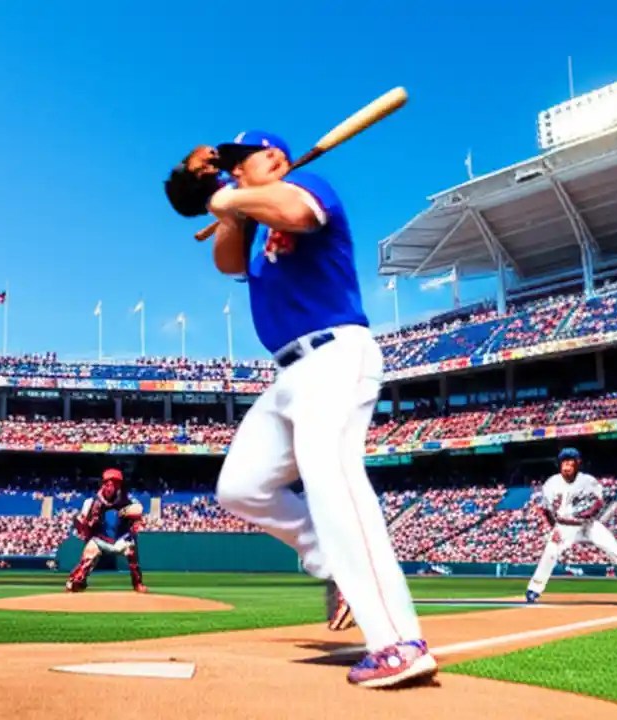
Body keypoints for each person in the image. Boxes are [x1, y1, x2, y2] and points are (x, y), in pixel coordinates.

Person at [205, 131, 435, 689]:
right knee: (240, 487)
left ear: (276, 158)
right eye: (229, 166)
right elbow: (224, 262)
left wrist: (230, 200)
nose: (234, 172)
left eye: (244, 161)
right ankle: (330, 560)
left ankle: (399, 641)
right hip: (286, 373)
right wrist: (234, 211)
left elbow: (296, 213)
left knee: (333, 478)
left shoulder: (306, 185)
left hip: (335, 354)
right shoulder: (254, 222)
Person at [526, 448, 617, 606]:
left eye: (570, 461)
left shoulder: (588, 481)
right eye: (563, 462)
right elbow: (545, 510)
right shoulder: (551, 483)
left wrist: (587, 514)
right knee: (550, 553)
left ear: (577, 463)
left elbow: (598, 503)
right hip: (565, 527)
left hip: (590, 525)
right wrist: (554, 529)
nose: (566, 465)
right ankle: (534, 589)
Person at [65, 468, 148, 593]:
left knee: (131, 552)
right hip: (100, 538)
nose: (110, 487)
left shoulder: (126, 500)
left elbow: (139, 510)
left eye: (114, 484)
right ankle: (77, 581)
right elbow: (82, 522)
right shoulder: (92, 503)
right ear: (103, 485)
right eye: (107, 484)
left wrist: (126, 513)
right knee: (88, 555)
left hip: (121, 537)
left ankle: (137, 583)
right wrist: (86, 523)